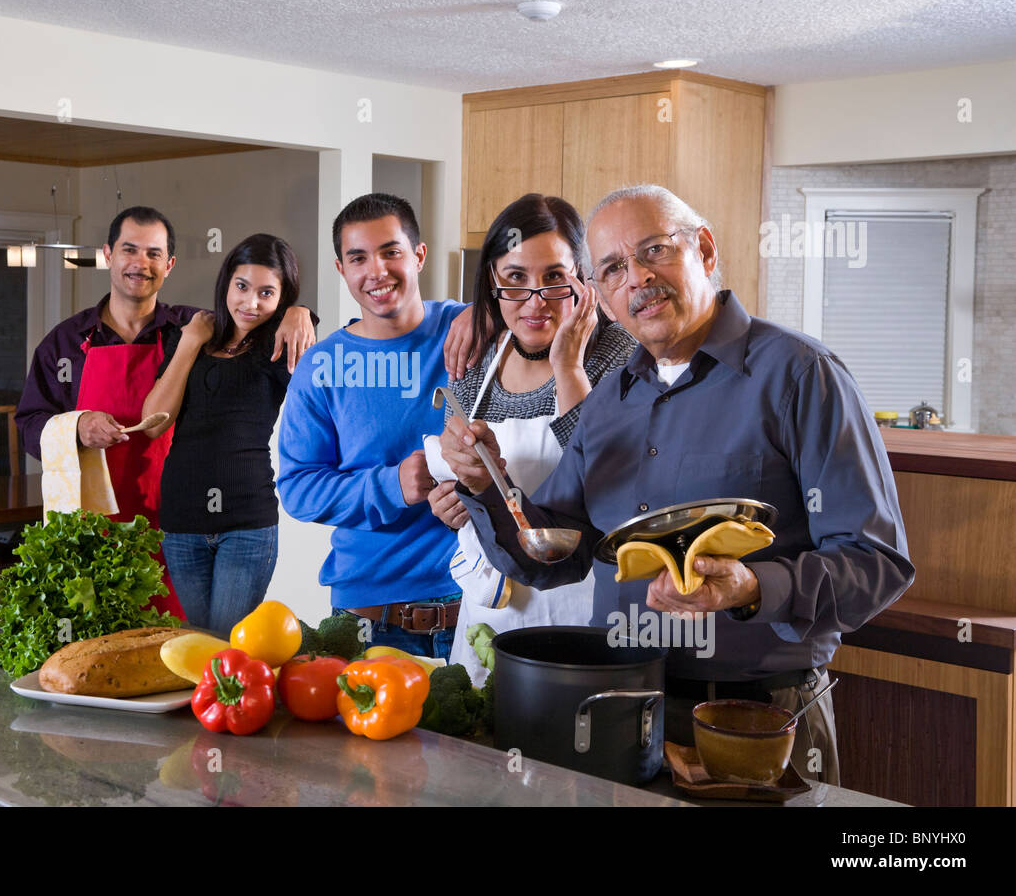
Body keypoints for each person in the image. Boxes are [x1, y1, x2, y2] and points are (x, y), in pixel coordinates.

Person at [442, 184, 914, 783]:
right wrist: (488, 485)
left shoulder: (800, 376)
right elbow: (554, 554)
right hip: (621, 710)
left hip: (758, 719)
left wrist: (750, 587)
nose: (636, 278)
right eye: (612, 268)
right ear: (602, 298)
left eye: (655, 251)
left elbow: (877, 563)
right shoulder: (610, 398)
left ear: (706, 251)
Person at [16, 206, 315, 619]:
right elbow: (29, 424)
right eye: (130, 250)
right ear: (108, 254)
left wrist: (299, 312)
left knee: (188, 650)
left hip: (175, 518)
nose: (141, 263)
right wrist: (78, 426)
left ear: (169, 264)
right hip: (97, 523)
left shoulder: (196, 328)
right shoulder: (64, 344)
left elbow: (259, 318)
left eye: (154, 253)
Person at [425, 194, 637, 685]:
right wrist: (453, 501)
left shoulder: (622, 356)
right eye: (516, 279)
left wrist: (567, 366)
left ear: (583, 282)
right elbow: (468, 484)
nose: (535, 301)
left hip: (580, 614)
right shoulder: (478, 361)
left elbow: (611, 485)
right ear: (493, 285)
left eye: (554, 279)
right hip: (489, 615)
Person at [277, 193, 467, 660]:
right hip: (371, 619)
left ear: (419, 255)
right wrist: (393, 485)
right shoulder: (322, 367)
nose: (376, 271)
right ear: (342, 270)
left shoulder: (468, 329)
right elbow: (298, 489)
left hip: (480, 608)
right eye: (358, 258)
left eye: (391, 251)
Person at [138, 234, 301, 634]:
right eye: (242, 287)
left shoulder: (278, 346)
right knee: (196, 645)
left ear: (282, 298)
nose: (251, 303)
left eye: (268, 293)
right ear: (226, 282)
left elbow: (319, 380)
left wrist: (301, 313)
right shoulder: (188, 337)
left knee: (228, 648)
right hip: (180, 520)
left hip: (246, 524)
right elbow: (153, 422)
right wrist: (192, 341)